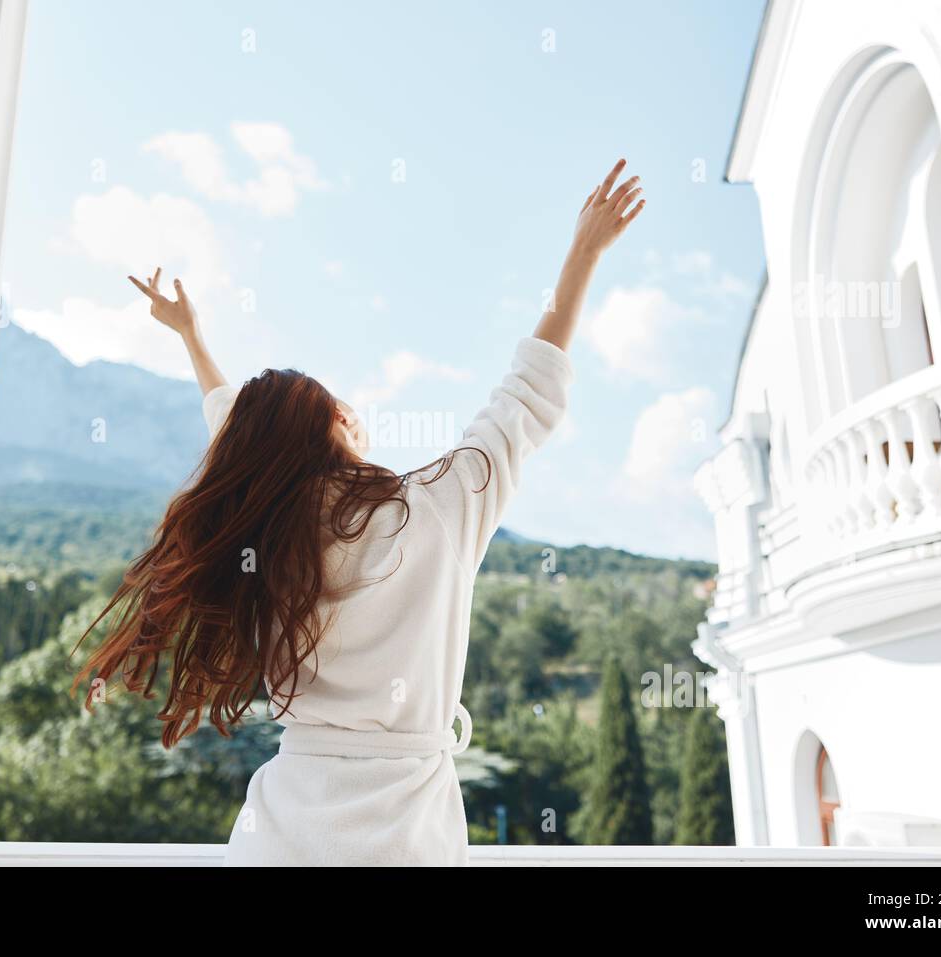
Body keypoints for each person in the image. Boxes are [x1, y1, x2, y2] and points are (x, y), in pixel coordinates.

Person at [73, 159, 645, 865]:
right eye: (340, 406)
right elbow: (527, 392)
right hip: (405, 835)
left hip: (280, 830)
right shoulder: (440, 508)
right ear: (337, 424)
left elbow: (240, 437)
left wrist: (191, 337)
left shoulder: (270, 530)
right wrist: (584, 251)